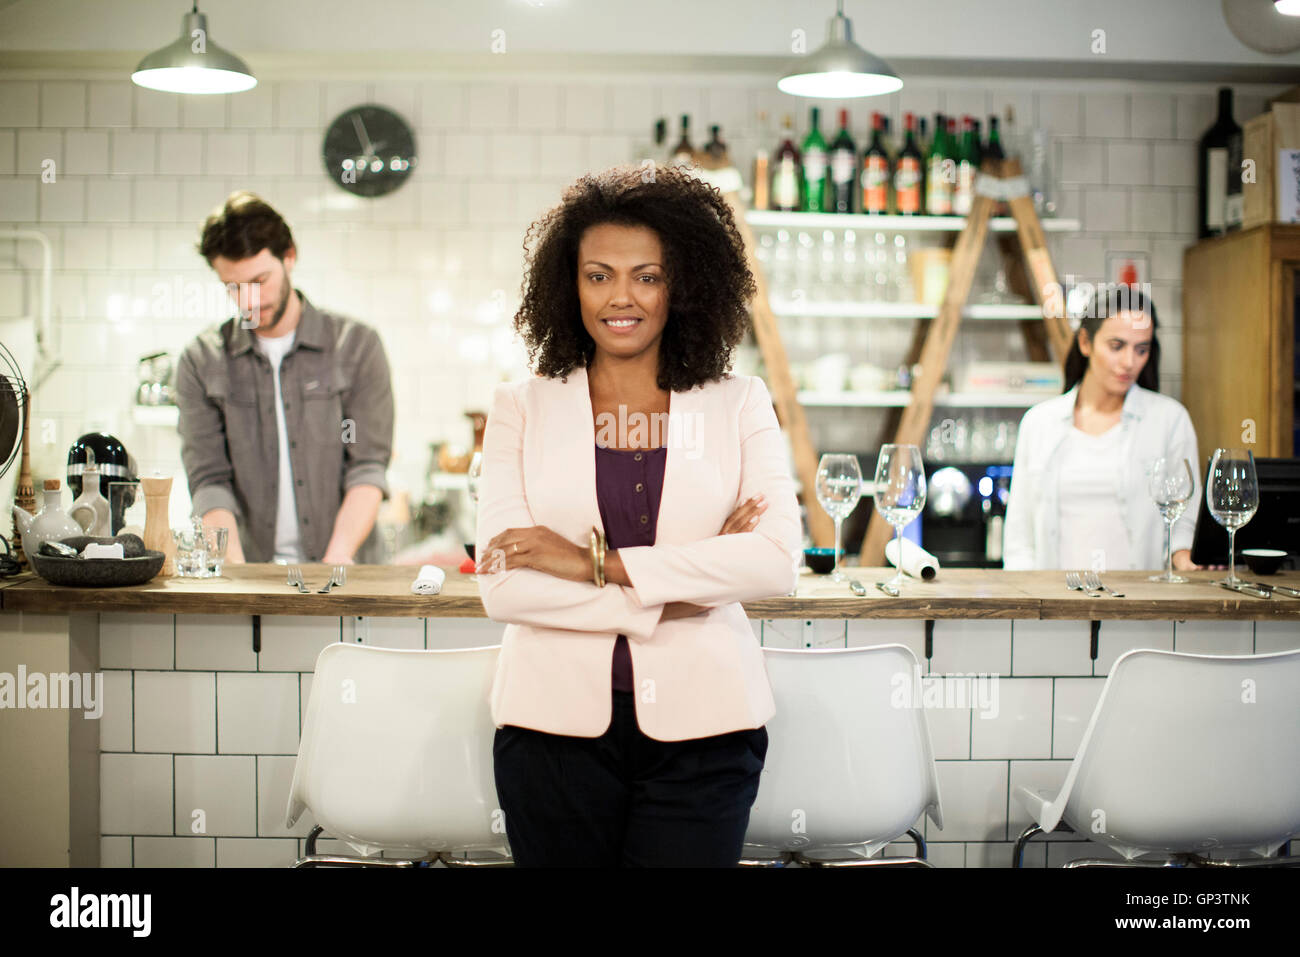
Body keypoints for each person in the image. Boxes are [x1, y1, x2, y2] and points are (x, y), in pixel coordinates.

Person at [475, 164, 801, 867]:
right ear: (570, 286)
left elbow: (775, 559)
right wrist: (687, 588)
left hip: (708, 733)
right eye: (598, 275)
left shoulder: (739, 401)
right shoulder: (520, 407)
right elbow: (504, 584)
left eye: (647, 275)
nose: (621, 296)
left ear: (682, 285)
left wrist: (592, 562)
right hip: (550, 735)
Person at [176, 191, 393, 565]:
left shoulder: (356, 346)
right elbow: (210, 481)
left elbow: (367, 467)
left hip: (347, 572)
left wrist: (334, 567)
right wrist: (241, 579)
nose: (248, 301)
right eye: (233, 287)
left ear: (289, 256)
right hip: (250, 570)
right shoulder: (202, 360)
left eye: (259, 280)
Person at [1003, 286, 1205, 572]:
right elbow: (1019, 539)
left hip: (1141, 605)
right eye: (1117, 346)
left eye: (1141, 349)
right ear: (1085, 342)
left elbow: (1185, 519)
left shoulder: (1169, 420)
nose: (1129, 362)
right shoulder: (1039, 423)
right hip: (1054, 604)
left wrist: (1184, 556)